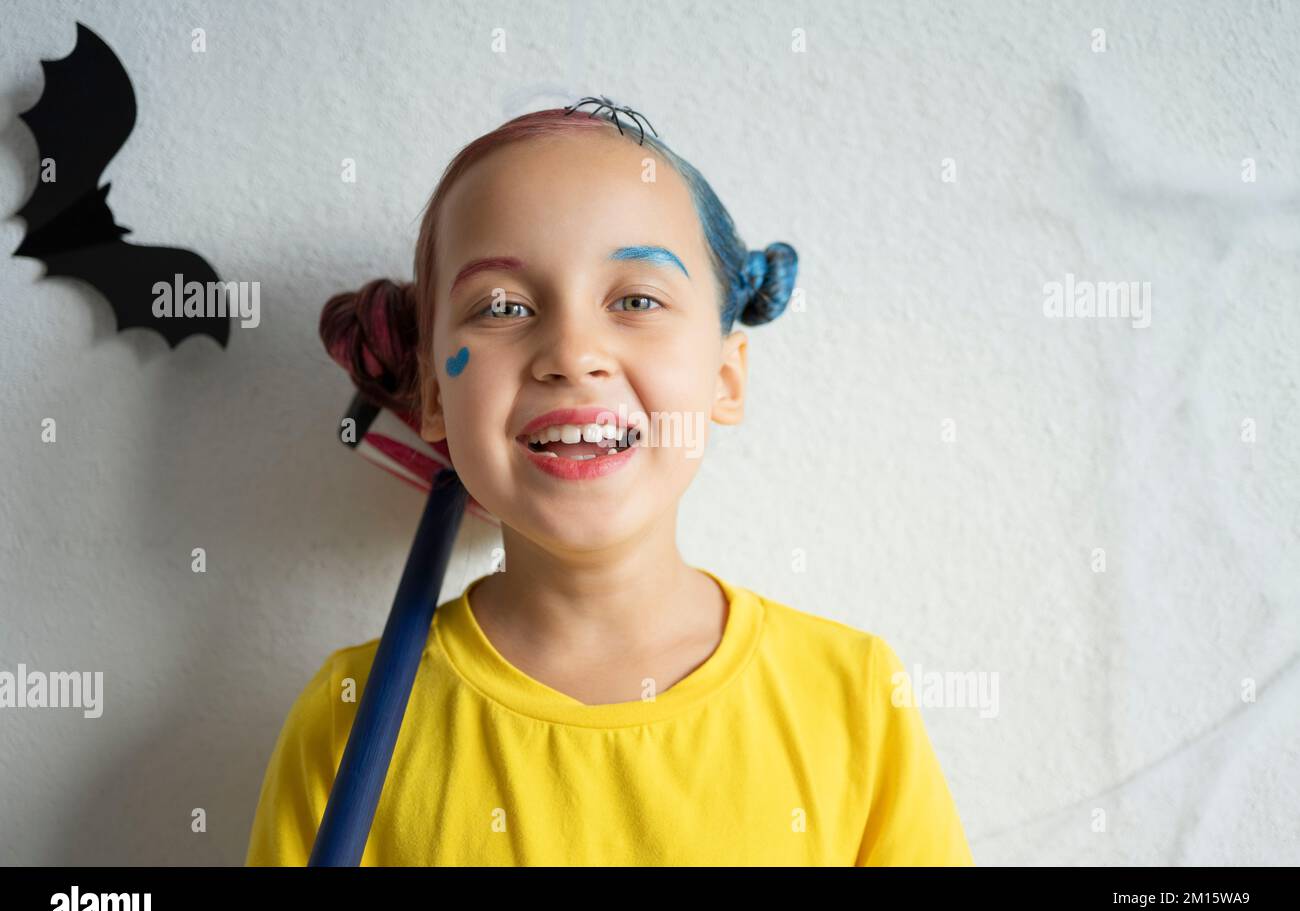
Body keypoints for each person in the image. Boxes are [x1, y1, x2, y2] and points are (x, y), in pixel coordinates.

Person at [245, 99, 974, 866]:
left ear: (725, 377)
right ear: (433, 395)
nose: (571, 352)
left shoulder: (853, 699)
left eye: (636, 300)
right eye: (502, 307)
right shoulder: (344, 720)